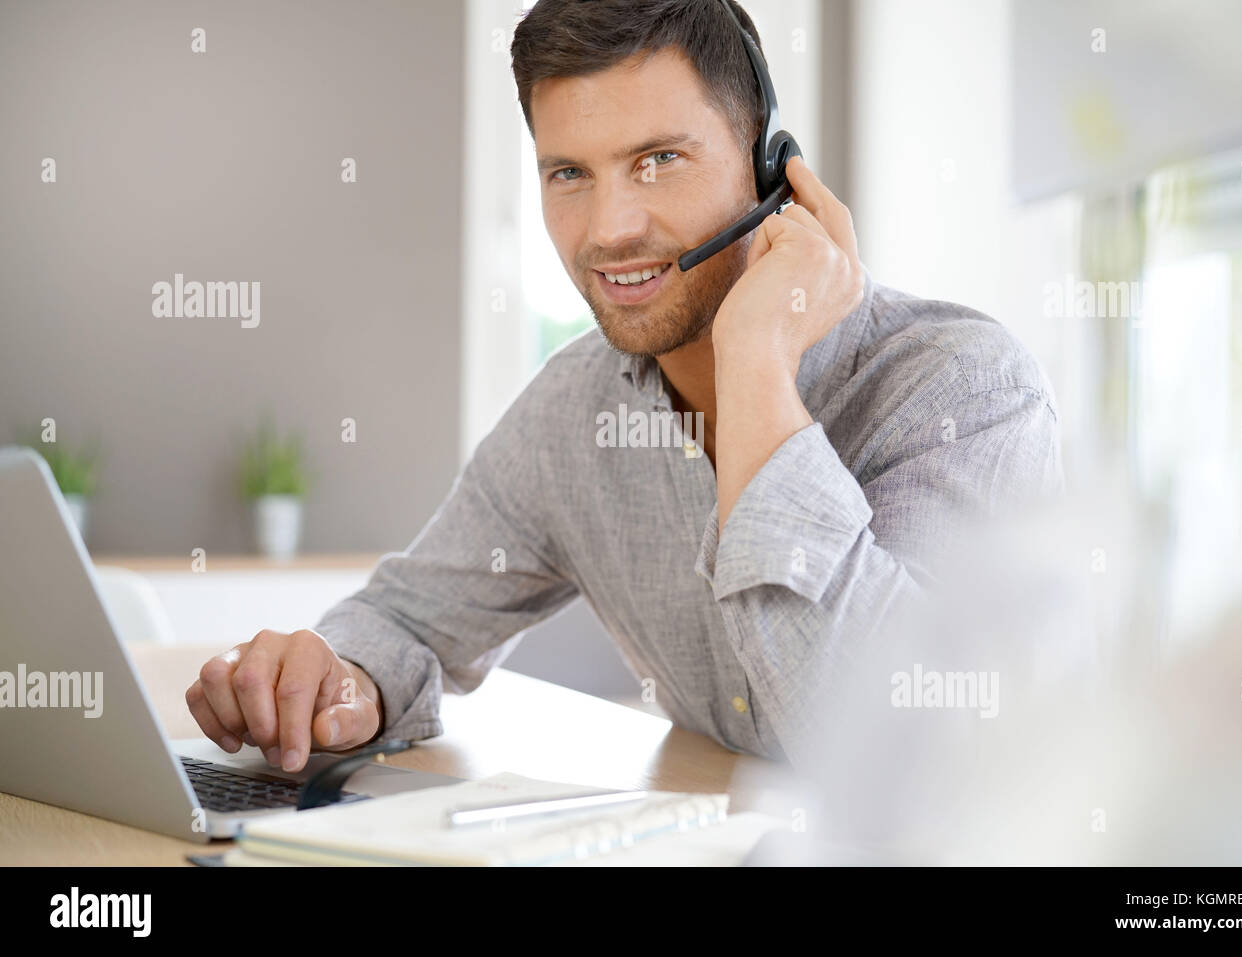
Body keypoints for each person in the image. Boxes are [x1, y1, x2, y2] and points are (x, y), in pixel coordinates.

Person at [185, 0, 1063, 774]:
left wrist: (753, 362)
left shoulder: (962, 388)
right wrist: (338, 680)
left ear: (770, 167)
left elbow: (910, 756)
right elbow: (408, 617)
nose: (609, 230)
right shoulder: (573, 414)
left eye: (658, 160)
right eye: (569, 173)